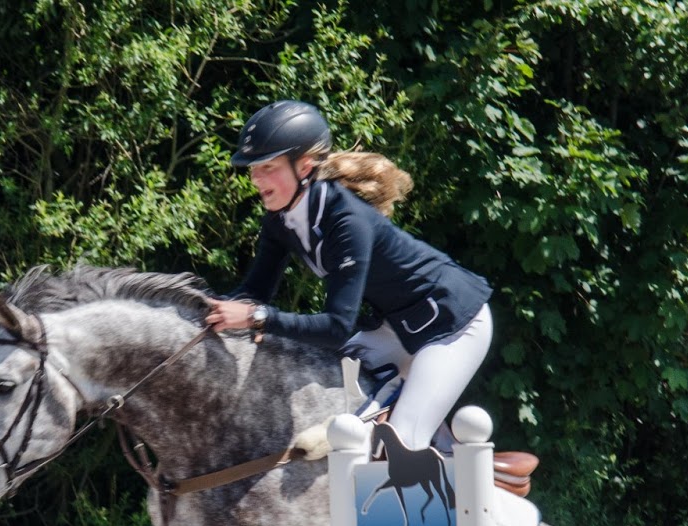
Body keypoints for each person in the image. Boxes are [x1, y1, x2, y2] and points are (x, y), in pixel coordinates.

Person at [205, 100, 494, 454]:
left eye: (268, 166)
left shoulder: (347, 220)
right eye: (253, 168)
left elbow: (336, 325)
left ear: (305, 167)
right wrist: (206, 313)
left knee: (401, 445)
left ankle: (462, 485)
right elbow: (255, 290)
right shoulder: (279, 220)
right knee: (315, 371)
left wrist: (256, 318)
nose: (256, 178)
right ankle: (438, 442)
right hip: (397, 327)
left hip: (453, 324)